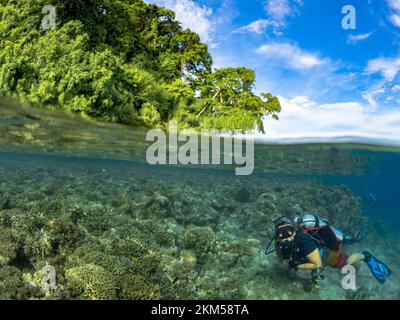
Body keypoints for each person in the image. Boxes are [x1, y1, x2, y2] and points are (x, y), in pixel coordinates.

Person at [267, 214, 391, 286]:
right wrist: (290, 263)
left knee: (345, 264)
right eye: (281, 233)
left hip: (328, 253)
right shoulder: (279, 243)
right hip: (311, 254)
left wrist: (296, 265)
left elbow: (317, 263)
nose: (286, 236)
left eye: (288, 231)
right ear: (276, 235)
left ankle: (365, 256)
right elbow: (282, 259)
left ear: (294, 230)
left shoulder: (303, 239)